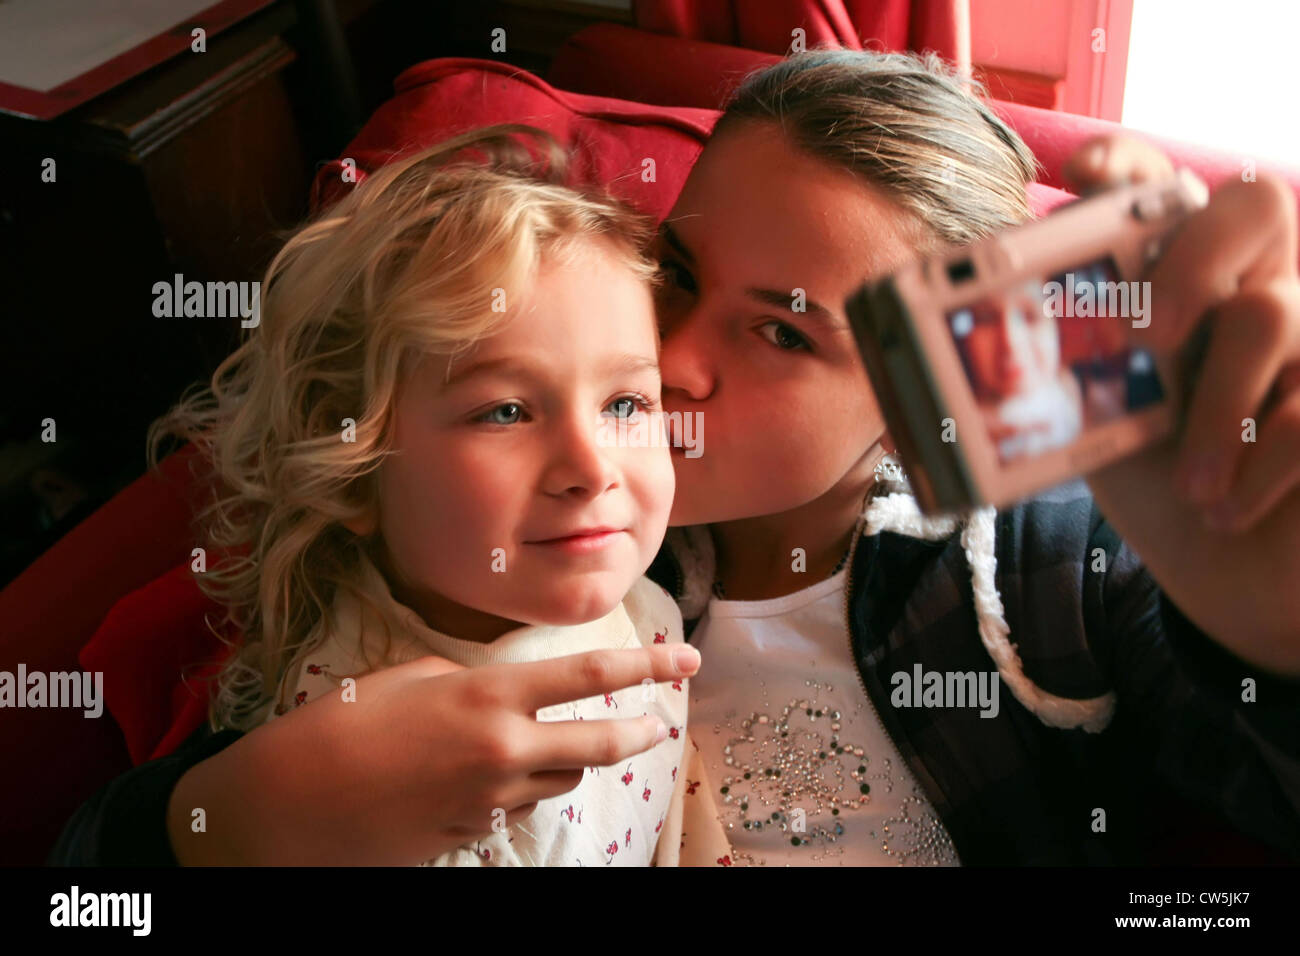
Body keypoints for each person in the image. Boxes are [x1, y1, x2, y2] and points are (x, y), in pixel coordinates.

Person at [50, 50, 1300, 867]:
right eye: (682, 276)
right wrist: (217, 822)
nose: (668, 364)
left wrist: (1270, 654)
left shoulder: (1048, 566)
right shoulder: (507, 542)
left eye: (780, 331)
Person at [72, 123, 710, 867]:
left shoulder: (643, 596)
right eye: (505, 411)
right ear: (354, 469)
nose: (591, 466)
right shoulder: (377, 767)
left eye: (626, 405)